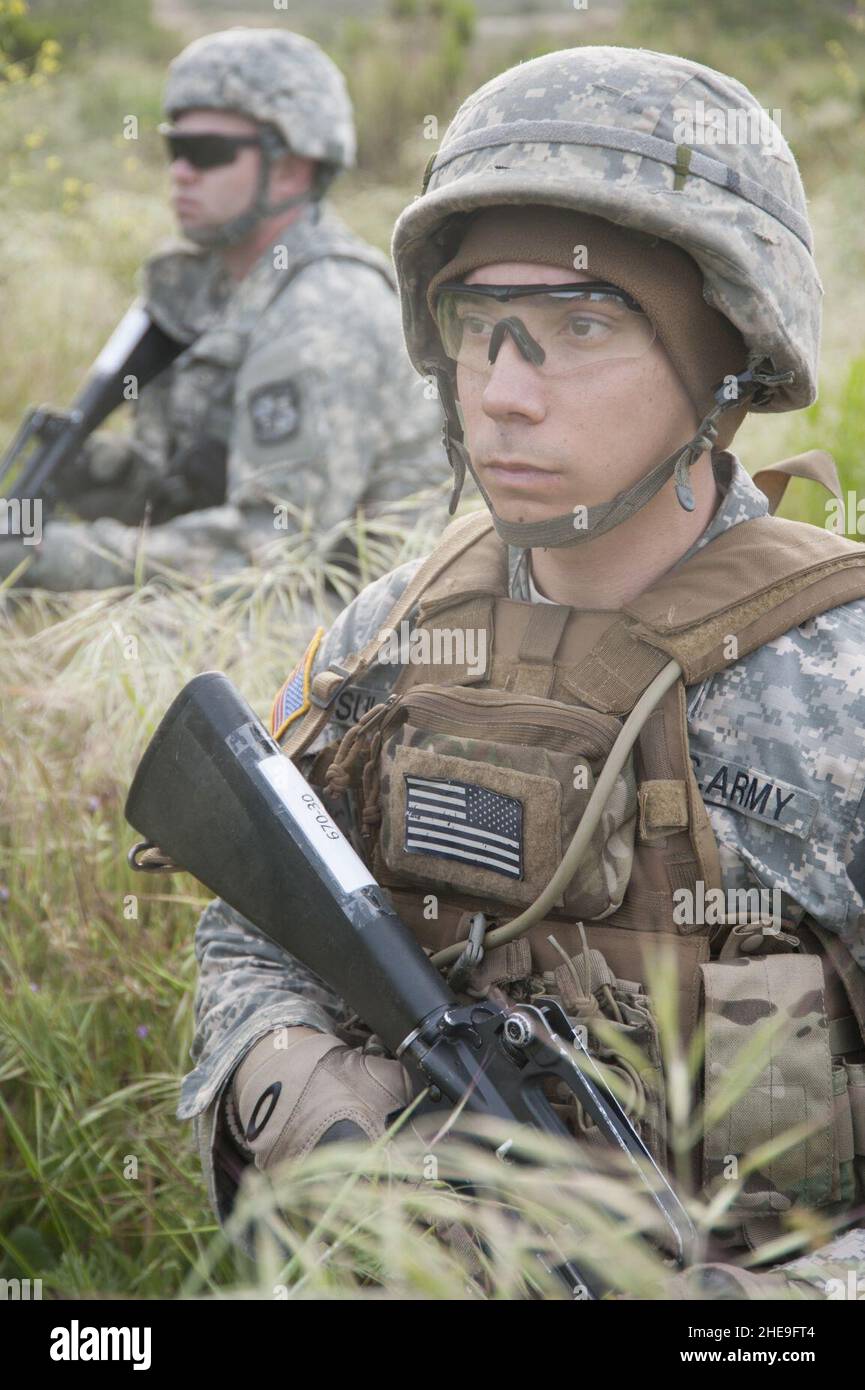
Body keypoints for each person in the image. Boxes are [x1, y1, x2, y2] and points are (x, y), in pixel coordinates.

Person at [176, 46, 865, 1298]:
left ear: (729, 354)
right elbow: (253, 922)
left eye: (580, 326)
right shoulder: (392, 631)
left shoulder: (842, 685)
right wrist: (307, 1106)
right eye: (474, 328)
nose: (501, 394)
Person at [0, 27, 445, 591]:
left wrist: (45, 557)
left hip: (348, 617)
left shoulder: (326, 311)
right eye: (173, 149)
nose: (180, 172)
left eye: (205, 153)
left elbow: (271, 550)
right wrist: (102, 477)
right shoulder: (203, 290)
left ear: (290, 167)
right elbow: (187, 490)